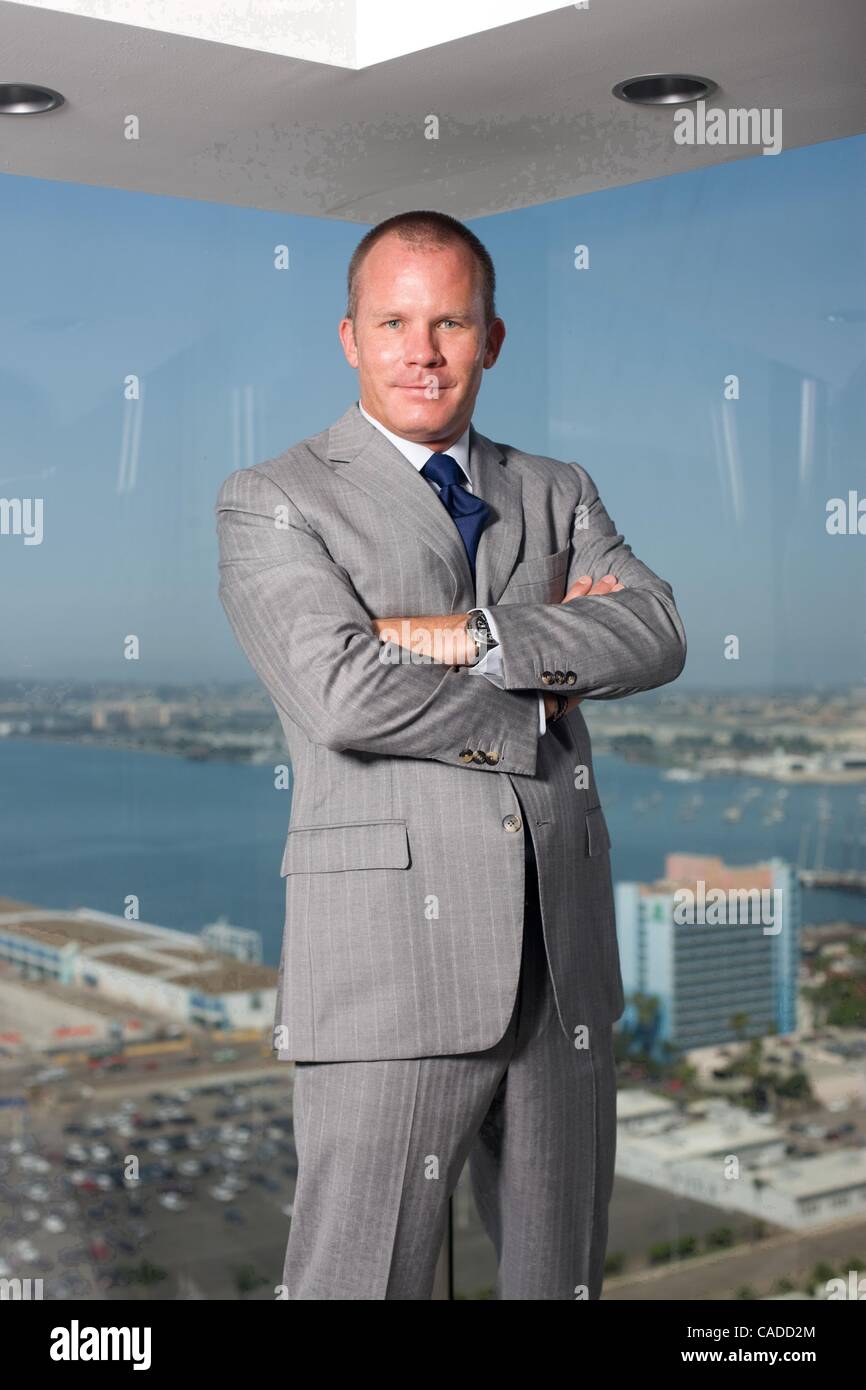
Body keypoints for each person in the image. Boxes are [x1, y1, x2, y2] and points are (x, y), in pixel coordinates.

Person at [215, 209, 687, 1299]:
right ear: (348, 337)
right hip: (389, 971)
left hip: (560, 967)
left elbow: (655, 631)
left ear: (492, 338)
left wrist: (470, 635)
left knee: (557, 1279)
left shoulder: (556, 489)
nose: (421, 351)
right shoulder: (276, 500)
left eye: (449, 322)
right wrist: (539, 704)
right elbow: (338, 694)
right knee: (360, 1282)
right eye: (393, 321)